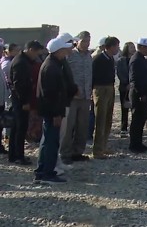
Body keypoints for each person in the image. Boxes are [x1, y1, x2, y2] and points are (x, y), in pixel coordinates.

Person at [35, 33, 78, 184]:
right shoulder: (51, 68)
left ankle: (42, 171)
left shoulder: (52, 64)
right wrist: (56, 114)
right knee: (51, 143)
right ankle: (47, 173)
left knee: (47, 142)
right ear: (58, 51)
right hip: (52, 112)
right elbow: (51, 95)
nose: (67, 52)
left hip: (51, 111)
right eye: (65, 49)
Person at [8, 41, 45, 165]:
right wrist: (24, 101)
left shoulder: (25, 61)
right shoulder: (20, 63)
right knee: (20, 128)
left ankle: (14, 154)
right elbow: (19, 84)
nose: (36, 56)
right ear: (30, 50)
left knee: (17, 127)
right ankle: (18, 155)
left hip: (21, 99)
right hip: (20, 100)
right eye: (36, 53)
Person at [62, 31, 92, 164]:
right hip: (73, 96)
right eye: (84, 41)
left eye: (88, 41)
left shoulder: (89, 56)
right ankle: (65, 153)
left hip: (85, 96)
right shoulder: (70, 55)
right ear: (77, 41)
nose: (87, 43)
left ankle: (78, 151)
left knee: (83, 126)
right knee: (69, 126)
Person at [91, 36, 119, 159]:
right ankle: (97, 150)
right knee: (100, 120)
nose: (118, 48)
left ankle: (104, 146)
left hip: (110, 88)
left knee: (108, 119)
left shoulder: (111, 59)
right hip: (100, 89)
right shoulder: (98, 59)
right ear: (111, 46)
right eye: (116, 46)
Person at [128, 38, 147, 153]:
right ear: (141, 47)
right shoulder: (136, 60)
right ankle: (134, 145)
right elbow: (134, 79)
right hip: (138, 95)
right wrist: (141, 94)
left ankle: (139, 143)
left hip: (143, 94)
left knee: (141, 119)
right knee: (136, 120)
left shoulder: (141, 59)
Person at [116, 42, 135, 138]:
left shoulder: (135, 59)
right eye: (131, 47)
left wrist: (132, 84)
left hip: (134, 87)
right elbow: (120, 73)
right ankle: (123, 128)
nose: (133, 49)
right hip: (124, 87)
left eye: (133, 47)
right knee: (124, 108)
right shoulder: (121, 60)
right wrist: (126, 83)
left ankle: (134, 128)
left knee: (134, 108)